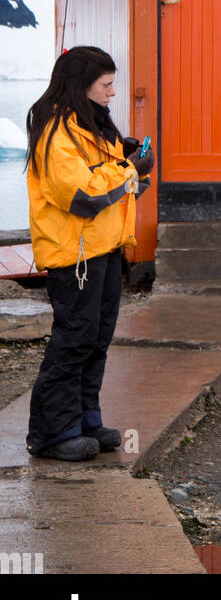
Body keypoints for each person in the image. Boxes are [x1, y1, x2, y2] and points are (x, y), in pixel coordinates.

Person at [24, 46, 155, 461]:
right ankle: (52, 434)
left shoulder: (90, 127)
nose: (112, 93)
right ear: (83, 87)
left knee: (95, 340)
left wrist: (131, 167)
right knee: (73, 342)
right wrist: (131, 168)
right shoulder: (56, 132)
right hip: (73, 256)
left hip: (103, 249)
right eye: (106, 85)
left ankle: (83, 421)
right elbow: (81, 195)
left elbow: (108, 186)